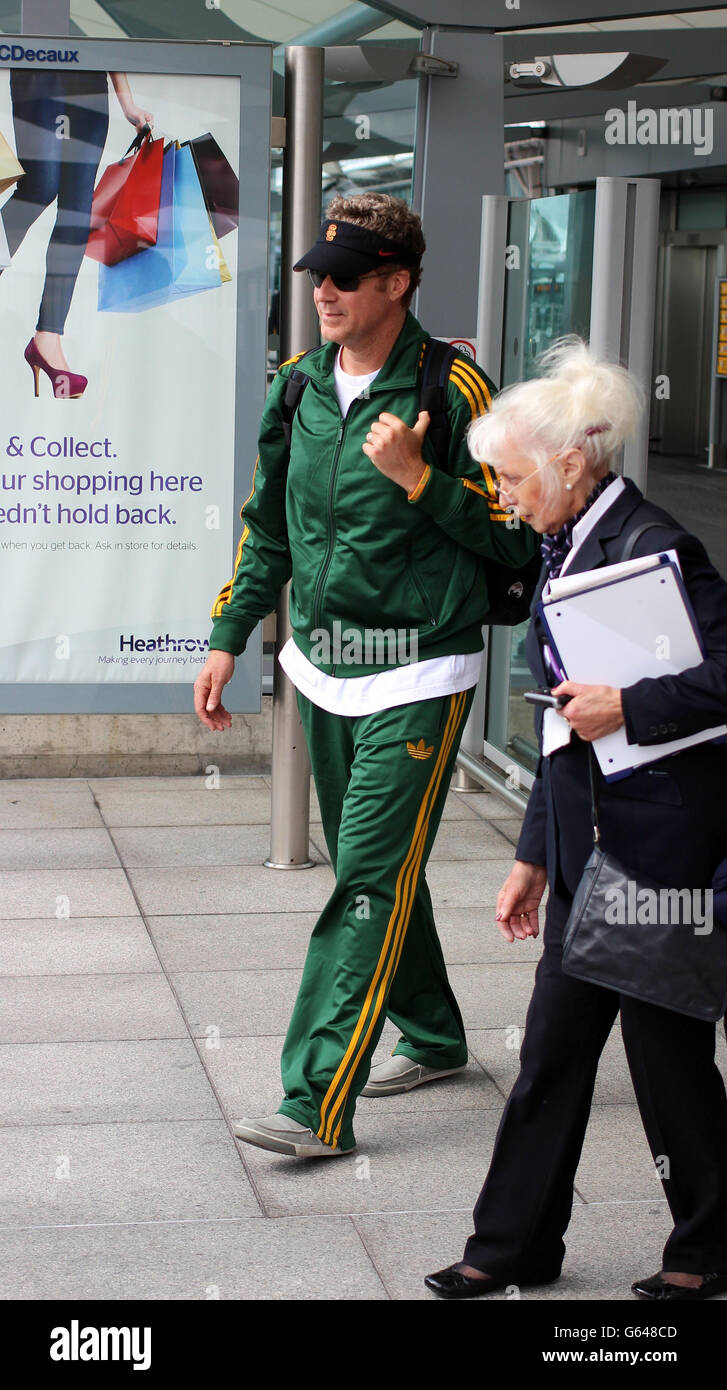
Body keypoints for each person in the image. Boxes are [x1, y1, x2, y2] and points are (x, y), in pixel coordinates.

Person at [193, 192, 537, 1158]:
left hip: (422, 669)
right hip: (326, 667)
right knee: (370, 871)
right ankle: (432, 1034)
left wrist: (419, 481)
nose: (325, 291)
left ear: (397, 282)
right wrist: (231, 635)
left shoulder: (452, 387)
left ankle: (311, 1103)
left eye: (346, 276)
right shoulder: (297, 386)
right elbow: (270, 527)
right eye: (317, 276)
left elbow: (519, 527)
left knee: (367, 886)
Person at [425, 336, 727, 1301]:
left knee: (665, 1058)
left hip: (657, 849)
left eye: (509, 478)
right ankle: (511, 1247)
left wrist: (630, 708)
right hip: (592, 844)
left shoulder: (655, 544)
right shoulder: (567, 543)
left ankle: (706, 1250)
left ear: (567, 461)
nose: (501, 496)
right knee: (553, 1049)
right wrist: (533, 853)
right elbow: (565, 727)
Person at [1, 70, 152, 397]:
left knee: (77, 207)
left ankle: (49, 338)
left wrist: (126, 102)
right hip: (41, 65)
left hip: (89, 79)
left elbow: (105, 35)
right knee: (39, 186)